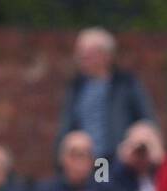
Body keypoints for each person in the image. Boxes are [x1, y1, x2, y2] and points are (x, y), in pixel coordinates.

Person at [56, 27, 153, 160]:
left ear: (106, 55)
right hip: (85, 161)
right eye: (80, 53)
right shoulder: (76, 87)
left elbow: (145, 120)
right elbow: (67, 126)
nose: (82, 58)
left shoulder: (125, 84)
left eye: (88, 54)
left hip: (116, 161)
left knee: (104, 177)